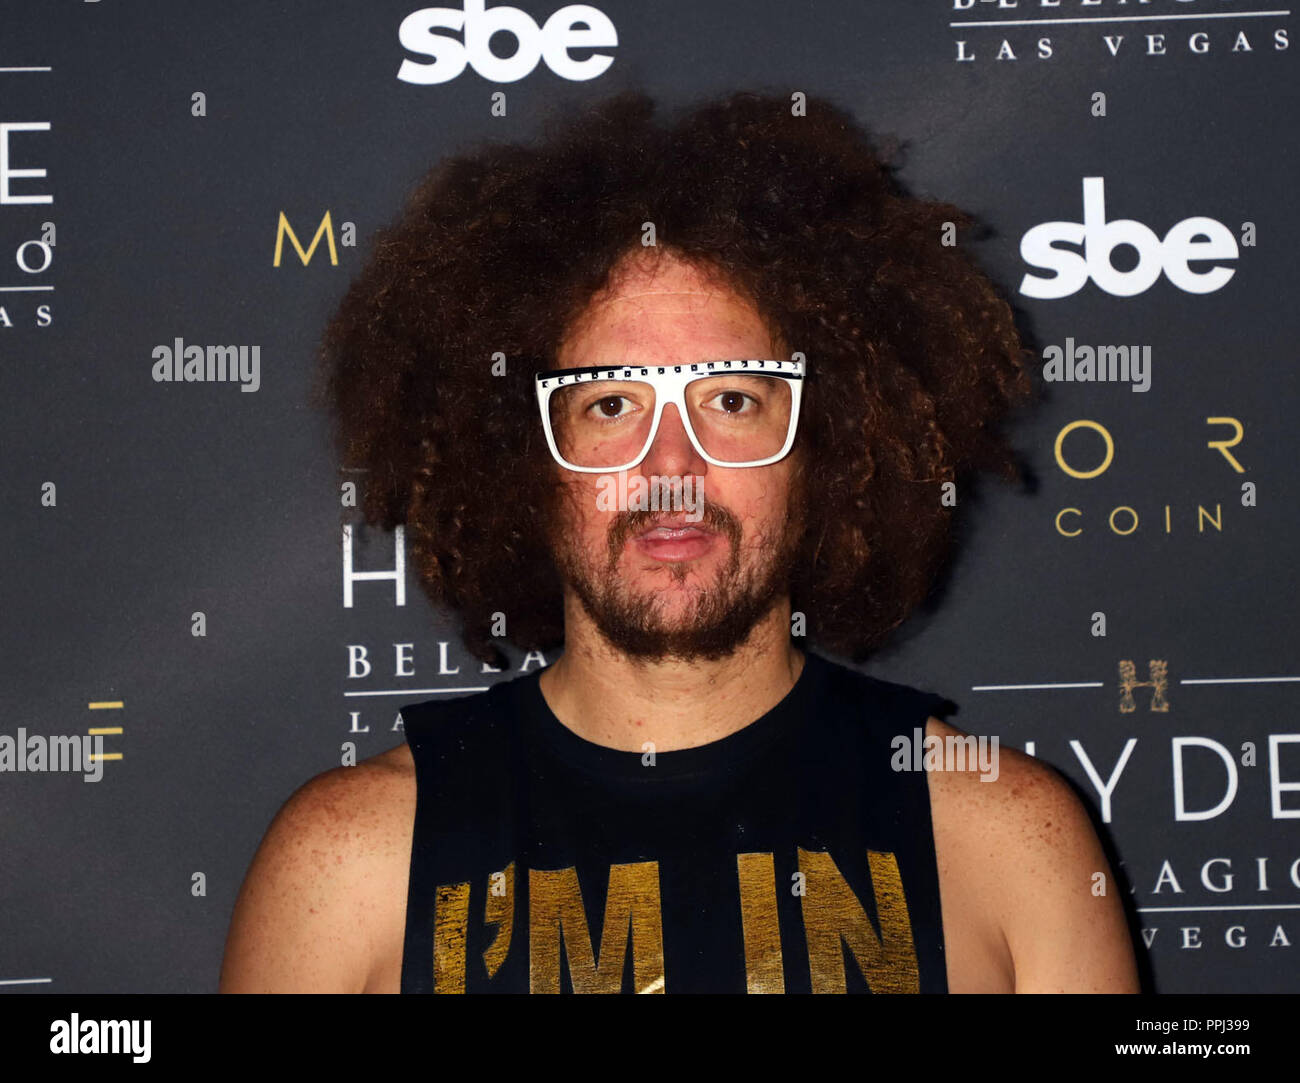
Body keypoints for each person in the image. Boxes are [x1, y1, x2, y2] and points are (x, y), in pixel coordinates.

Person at [219, 91, 1140, 994]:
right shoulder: (350, 858)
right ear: (519, 456)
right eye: (610, 404)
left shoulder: (1004, 839)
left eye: (731, 401)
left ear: (827, 447)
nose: (671, 464)